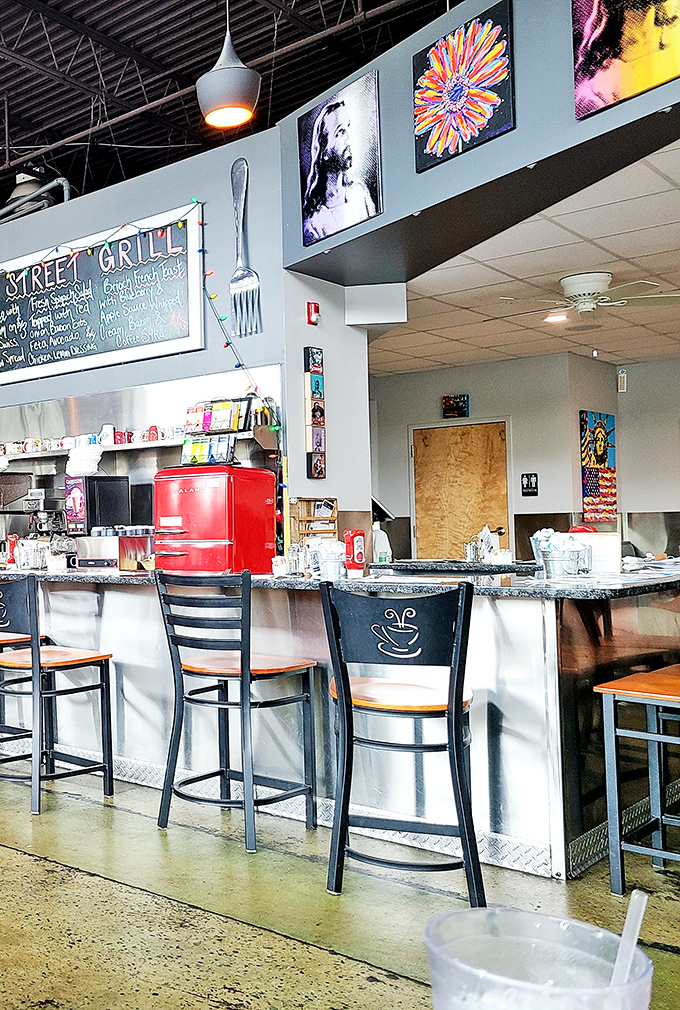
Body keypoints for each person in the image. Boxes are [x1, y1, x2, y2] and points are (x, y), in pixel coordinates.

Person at [575, 0, 680, 116]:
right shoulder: (599, 91)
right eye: (632, 41)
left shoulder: (666, 65)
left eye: (656, 25)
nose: (645, 35)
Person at [302, 101, 376, 245]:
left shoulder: (360, 194)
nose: (348, 139)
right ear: (324, 150)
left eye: (347, 128)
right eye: (340, 132)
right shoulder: (314, 225)